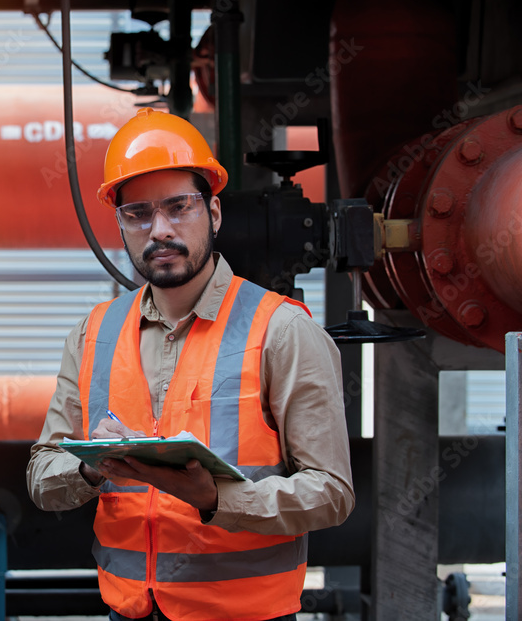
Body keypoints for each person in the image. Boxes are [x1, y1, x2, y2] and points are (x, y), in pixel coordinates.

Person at [26, 108, 355, 621]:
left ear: (214, 213)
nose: (160, 229)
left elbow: (332, 494)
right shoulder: (93, 334)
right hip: (129, 611)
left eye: (179, 207)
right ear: (121, 225)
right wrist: (93, 467)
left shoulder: (282, 332)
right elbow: (43, 477)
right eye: (138, 214)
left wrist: (218, 499)